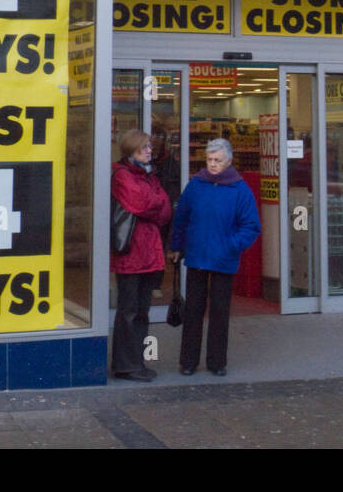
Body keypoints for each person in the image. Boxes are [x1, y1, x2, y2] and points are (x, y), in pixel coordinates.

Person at [169, 138, 261, 376]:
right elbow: (181, 218)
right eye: (209, 159)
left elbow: (251, 226)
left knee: (220, 312)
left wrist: (232, 246)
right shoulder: (196, 185)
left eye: (217, 160)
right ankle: (188, 361)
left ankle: (217, 362)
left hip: (224, 259)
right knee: (193, 311)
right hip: (198, 256)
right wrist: (176, 246)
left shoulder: (240, 190)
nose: (212, 164)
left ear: (228, 161)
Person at [110, 129, 172, 382]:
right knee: (129, 311)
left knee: (142, 311)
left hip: (149, 254)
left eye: (149, 147)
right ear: (131, 150)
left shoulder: (149, 176)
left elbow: (165, 209)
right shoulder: (122, 175)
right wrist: (154, 202)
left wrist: (154, 203)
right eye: (144, 148)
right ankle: (125, 364)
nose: (150, 151)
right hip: (131, 256)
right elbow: (142, 204)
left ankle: (136, 361)